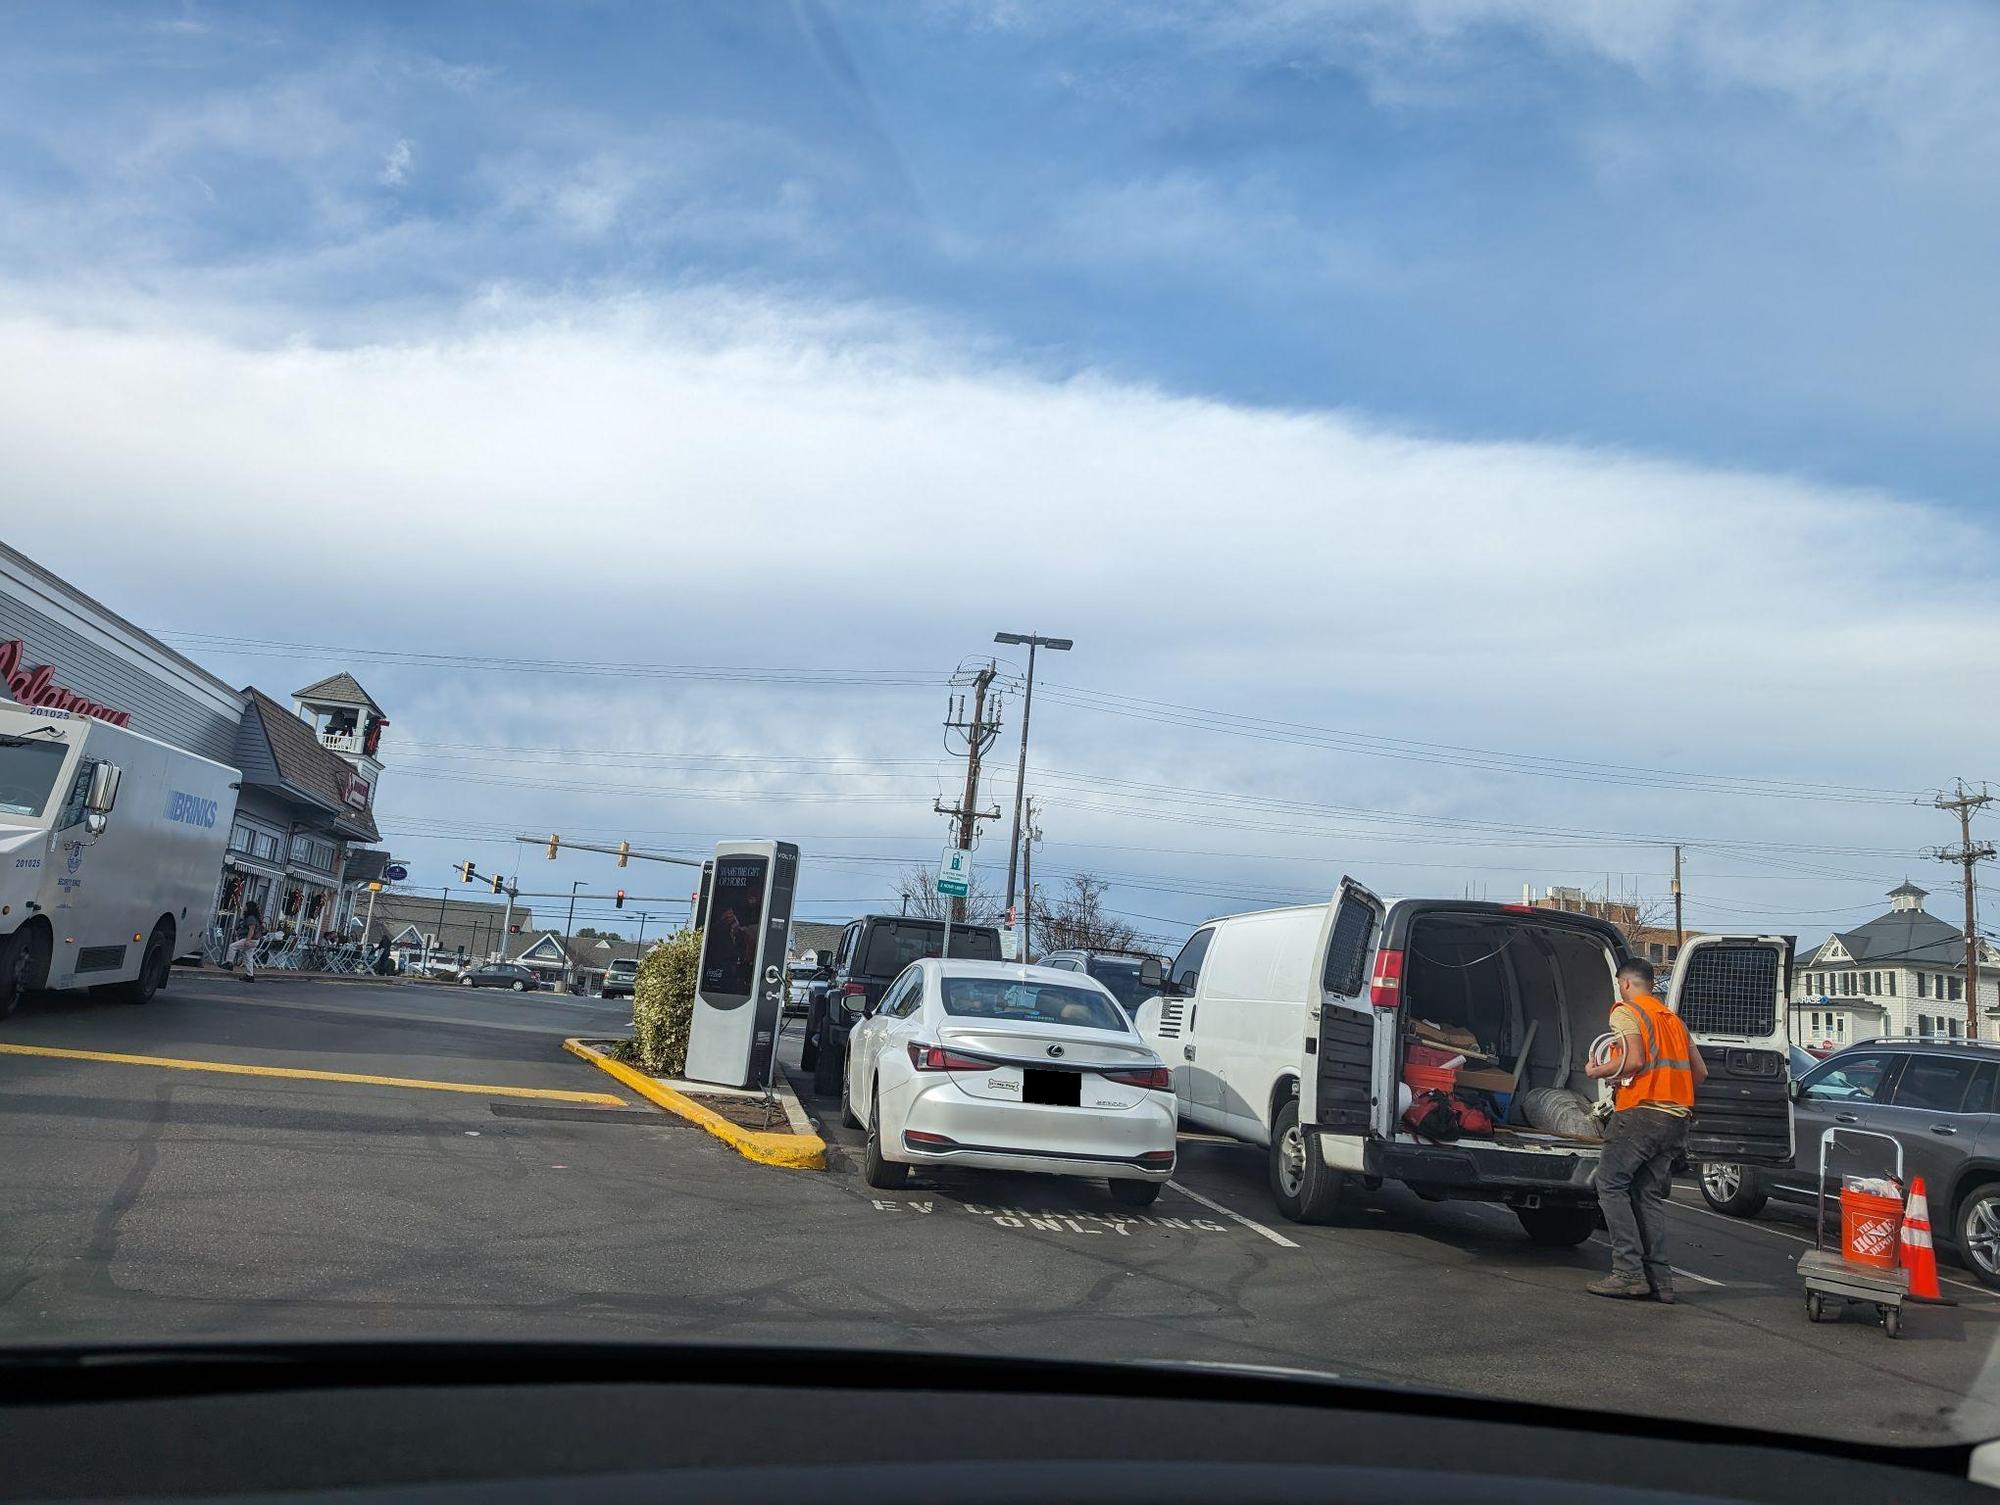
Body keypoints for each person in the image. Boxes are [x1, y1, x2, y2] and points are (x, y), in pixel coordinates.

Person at [1583, 956, 1707, 1302]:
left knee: (1610, 1184)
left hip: (1641, 1114)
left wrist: (1596, 1072)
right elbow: (1700, 1074)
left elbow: (1634, 1060)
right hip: (1676, 1119)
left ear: (1625, 984)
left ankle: (1627, 1273)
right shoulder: (1673, 1021)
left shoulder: (1626, 1012)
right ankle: (1661, 1281)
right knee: (1646, 1194)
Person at [225, 902, 263, 981]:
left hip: (251, 939)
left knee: (232, 947)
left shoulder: (251, 918)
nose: (244, 907)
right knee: (248, 957)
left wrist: (248, 940)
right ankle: (250, 976)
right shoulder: (253, 917)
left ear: (249, 908)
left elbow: (251, 929)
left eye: (246, 906)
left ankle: (229, 963)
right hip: (255, 940)